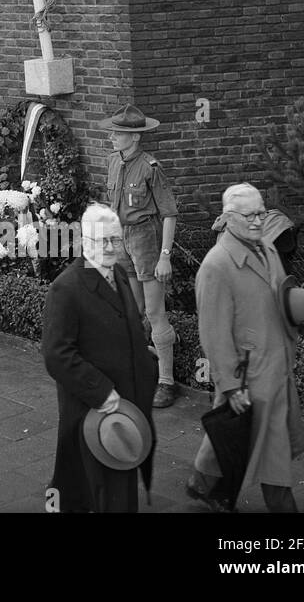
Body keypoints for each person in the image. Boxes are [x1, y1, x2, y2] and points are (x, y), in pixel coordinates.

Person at [186, 184, 304, 514]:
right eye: (249, 215)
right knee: (272, 459)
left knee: (238, 440)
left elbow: (278, 298)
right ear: (228, 218)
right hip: (252, 379)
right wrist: (231, 387)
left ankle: (202, 485)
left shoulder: (267, 247)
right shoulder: (216, 267)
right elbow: (214, 335)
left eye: (262, 212)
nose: (258, 220)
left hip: (276, 369)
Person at [43, 203, 157, 513]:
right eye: (100, 241)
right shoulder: (65, 289)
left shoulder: (117, 273)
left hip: (125, 409)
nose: (109, 248)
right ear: (84, 241)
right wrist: (102, 392)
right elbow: (56, 354)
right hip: (93, 414)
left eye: (114, 240)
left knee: (117, 488)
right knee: (101, 492)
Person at [101, 103, 180, 409]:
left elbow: (170, 214)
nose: (111, 137)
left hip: (147, 239)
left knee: (155, 312)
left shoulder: (151, 168)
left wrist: (165, 256)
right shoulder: (112, 161)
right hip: (121, 237)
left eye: (117, 133)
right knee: (132, 309)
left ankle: (166, 382)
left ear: (134, 137)